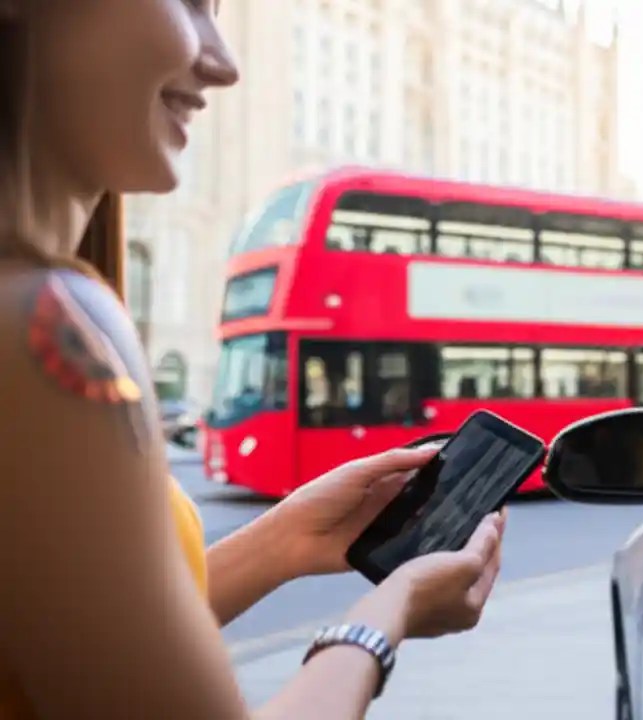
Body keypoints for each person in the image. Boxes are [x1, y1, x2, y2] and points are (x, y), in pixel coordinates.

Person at [0, 2, 505, 717]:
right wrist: (388, 613)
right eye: (191, 5)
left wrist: (286, 539)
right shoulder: (48, 330)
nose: (223, 64)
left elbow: (88, 639)